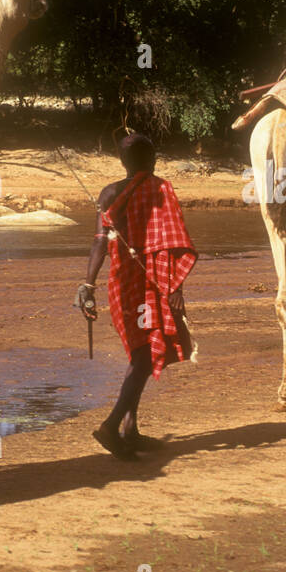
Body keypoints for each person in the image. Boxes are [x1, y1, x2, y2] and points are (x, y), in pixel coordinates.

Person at [75, 134, 197, 459]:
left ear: (122, 162)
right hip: (150, 284)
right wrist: (176, 288)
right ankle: (111, 426)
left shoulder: (109, 192)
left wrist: (88, 286)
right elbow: (173, 243)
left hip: (120, 284)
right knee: (143, 356)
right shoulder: (161, 189)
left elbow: (99, 241)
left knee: (139, 352)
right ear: (153, 159)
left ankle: (130, 430)